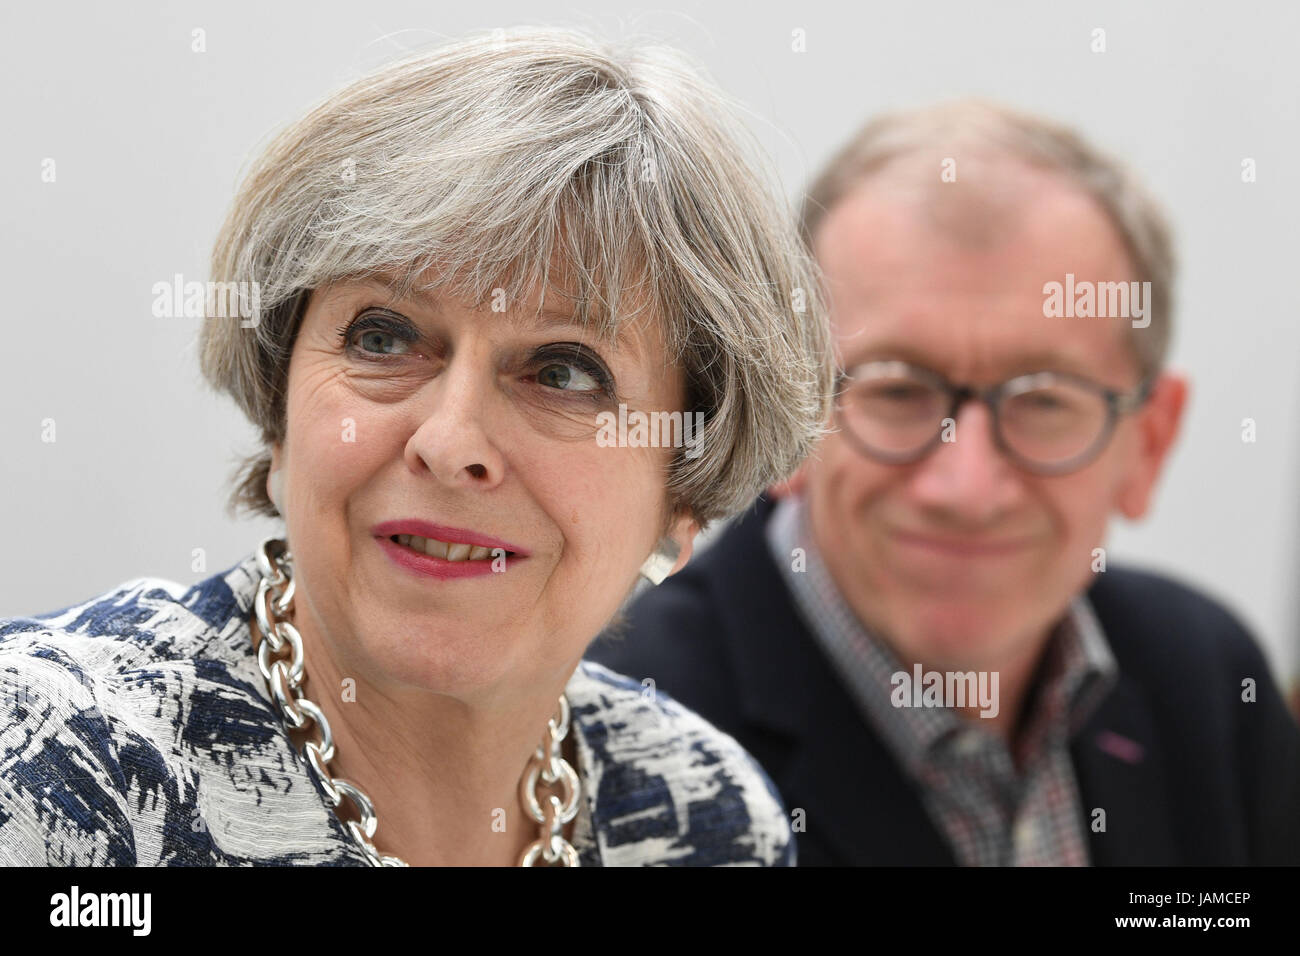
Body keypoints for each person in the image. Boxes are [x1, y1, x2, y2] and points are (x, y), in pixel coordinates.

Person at [0, 26, 833, 867]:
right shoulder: (50, 764)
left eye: (565, 372)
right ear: (282, 415)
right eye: (385, 338)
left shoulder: (707, 818)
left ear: (682, 497)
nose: (449, 441)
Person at [588, 100, 1300, 865]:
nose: (967, 486)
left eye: (1044, 402)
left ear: (1149, 446)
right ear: (788, 410)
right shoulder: (631, 756)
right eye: (898, 391)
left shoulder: (1207, 680)